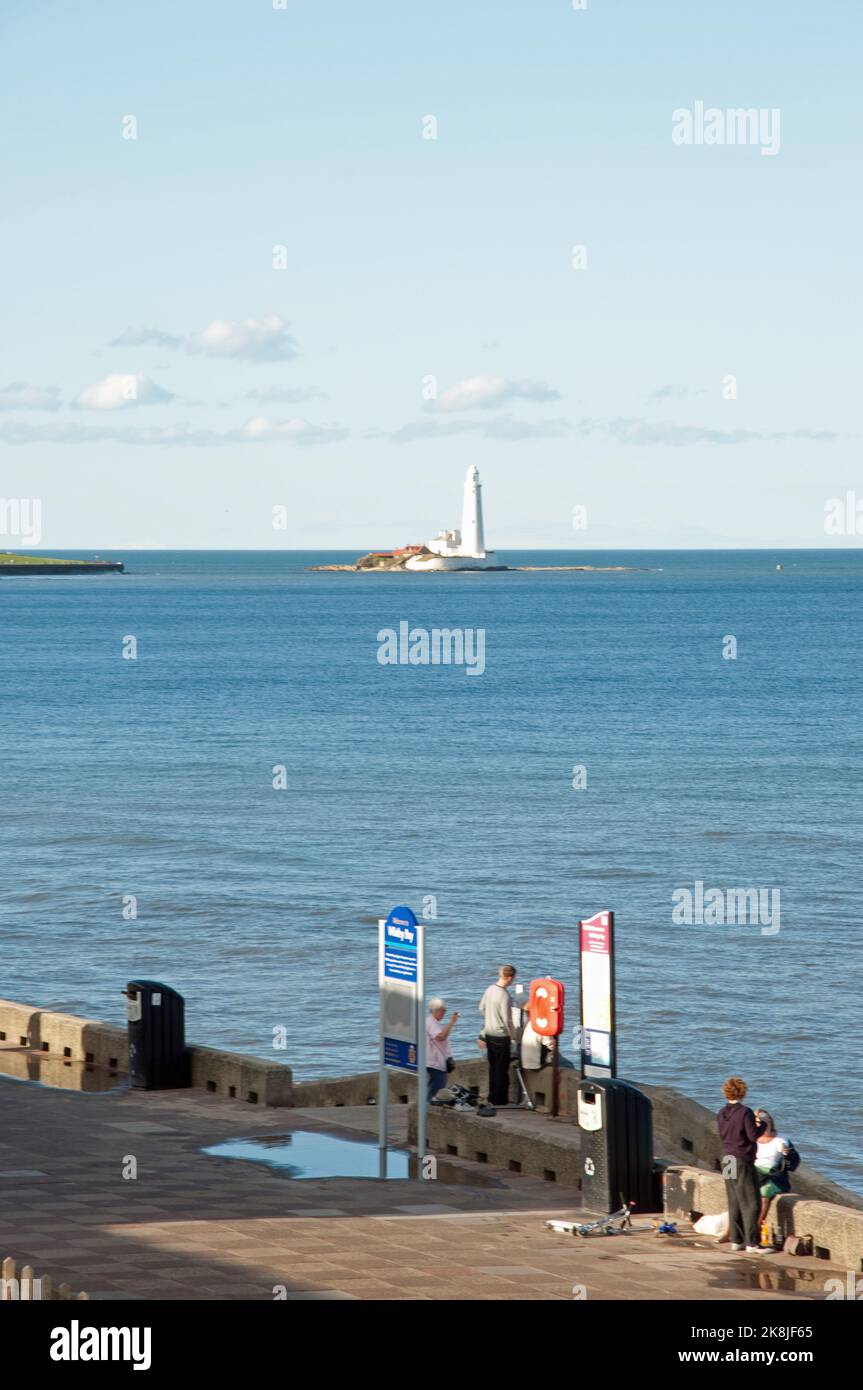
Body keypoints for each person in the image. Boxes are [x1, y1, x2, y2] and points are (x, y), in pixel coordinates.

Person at [717, 1076, 766, 1253]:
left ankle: (736, 1240)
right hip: (741, 1159)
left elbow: (723, 1133)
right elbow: (753, 1136)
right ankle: (752, 1242)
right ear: (743, 1092)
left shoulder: (722, 1112)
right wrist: (762, 1124)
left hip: (727, 1159)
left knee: (734, 1199)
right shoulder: (744, 1112)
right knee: (751, 1202)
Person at [478, 965, 517, 1106]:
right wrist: (513, 1037)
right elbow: (508, 1020)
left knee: (493, 1067)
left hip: (489, 1033)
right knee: (502, 1069)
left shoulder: (490, 989)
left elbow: (481, 1008)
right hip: (501, 1036)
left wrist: (490, 1019)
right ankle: (500, 1099)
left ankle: (492, 1096)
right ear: (510, 978)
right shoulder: (505, 995)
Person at [754, 1110, 791, 1224]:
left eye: (766, 1120)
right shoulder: (753, 1138)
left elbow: (785, 1151)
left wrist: (785, 1151)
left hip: (773, 1176)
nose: (763, 1124)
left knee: (764, 1194)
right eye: (759, 1121)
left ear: (770, 1121)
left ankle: (757, 1226)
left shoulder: (780, 1138)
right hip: (755, 1172)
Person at [425, 998, 458, 1102]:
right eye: (443, 1010)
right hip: (436, 1064)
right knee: (436, 1092)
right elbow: (441, 1036)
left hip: (433, 1062)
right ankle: (425, 1113)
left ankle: (425, 1112)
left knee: (433, 1089)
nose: (444, 1013)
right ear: (436, 1010)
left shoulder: (429, 1021)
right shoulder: (432, 1022)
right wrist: (451, 1022)